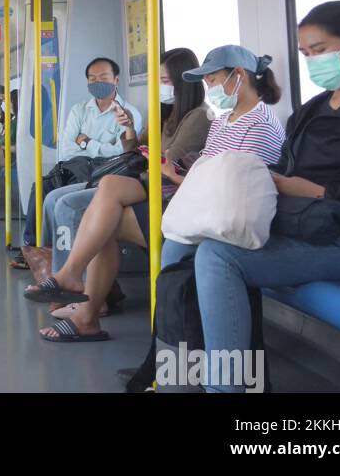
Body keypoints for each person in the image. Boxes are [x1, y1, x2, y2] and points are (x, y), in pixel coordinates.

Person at [162, 2, 340, 392]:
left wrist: (317, 190)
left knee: (218, 255)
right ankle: (174, 364)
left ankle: (222, 387)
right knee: (188, 239)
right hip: (306, 222)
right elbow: (281, 168)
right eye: (306, 54)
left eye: (320, 50)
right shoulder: (312, 112)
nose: (313, 61)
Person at [26, 44, 286, 344]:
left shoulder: (259, 123)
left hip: (215, 212)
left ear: (239, 75)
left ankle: (77, 296)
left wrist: (173, 171)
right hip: (196, 196)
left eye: (212, 80)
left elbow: (239, 185)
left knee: (102, 211)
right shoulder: (225, 121)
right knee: (105, 199)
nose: (208, 87)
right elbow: (207, 170)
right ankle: (77, 296)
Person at [40, 48, 212, 316]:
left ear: (182, 82)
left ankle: (71, 284)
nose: (160, 87)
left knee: (72, 206)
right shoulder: (164, 113)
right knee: (60, 198)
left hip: (157, 187)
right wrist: (130, 129)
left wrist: (96, 143)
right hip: (135, 179)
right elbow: (133, 149)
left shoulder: (198, 117)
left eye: (165, 81)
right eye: (159, 81)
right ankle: (75, 283)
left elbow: (169, 161)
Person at [18, 57, 143, 250]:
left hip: (106, 171)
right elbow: (67, 147)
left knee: (57, 198)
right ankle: (34, 248)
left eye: (103, 77)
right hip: (75, 166)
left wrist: (85, 142)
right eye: (92, 79)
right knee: (41, 186)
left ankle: (58, 251)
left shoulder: (128, 114)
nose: (97, 82)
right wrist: (96, 147)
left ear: (116, 80)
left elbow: (121, 152)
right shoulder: (79, 110)